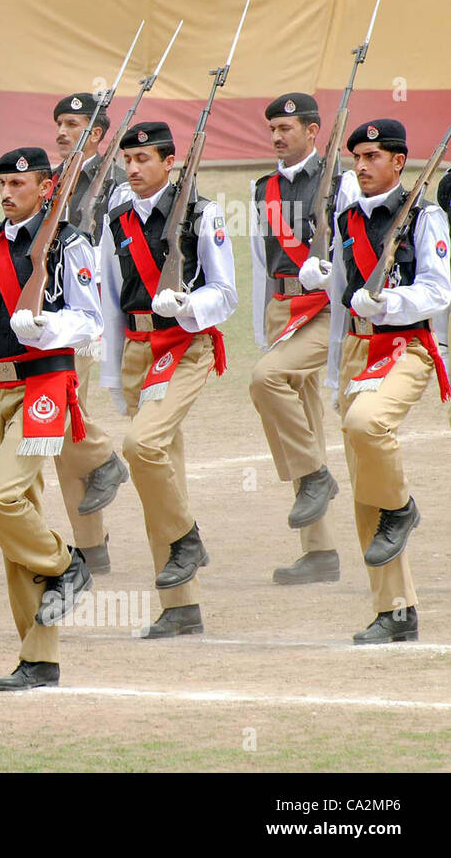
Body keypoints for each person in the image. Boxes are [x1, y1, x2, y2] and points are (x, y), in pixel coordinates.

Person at [299, 118, 451, 644]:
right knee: (365, 482)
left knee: (369, 425)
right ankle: (396, 610)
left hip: (408, 345)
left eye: (372, 157)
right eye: (356, 158)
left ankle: (403, 508)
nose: (361, 167)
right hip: (356, 350)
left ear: (398, 162)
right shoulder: (347, 220)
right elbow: (339, 299)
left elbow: (439, 289)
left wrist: (393, 303)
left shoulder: (426, 217)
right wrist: (333, 368)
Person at [0, 147, 100, 690]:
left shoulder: (70, 243)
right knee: (16, 526)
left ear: (45, 188)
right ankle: (38, 657)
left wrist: (47, 329)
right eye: (2, 184)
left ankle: (67, 563)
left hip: (44, 385)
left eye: (18, 183)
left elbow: (90, 322)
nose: (7, 192)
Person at [98, 121, 237, 639]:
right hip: (137, 350)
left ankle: (187, 539)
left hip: (184, 347)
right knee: (159, 471)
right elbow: (112, 301)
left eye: (144, 160)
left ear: (169, 162)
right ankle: (180, 605)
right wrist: (113, 375)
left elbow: (226, 293)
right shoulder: (116, 220)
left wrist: (187, 305)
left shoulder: (202, 213)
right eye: (127, 160)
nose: (133, 169)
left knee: (141, 445)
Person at [248, 93, 350, 584]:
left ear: (313, 131)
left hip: (325, 309)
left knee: (266, 381)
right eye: (272, 128)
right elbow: (258, 263)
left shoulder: (342, 182)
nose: (276, 136)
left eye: (286, 127)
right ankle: (320, 552)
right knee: (303, 421)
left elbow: (356, 252)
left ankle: (315, 476)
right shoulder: (261, 187)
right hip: (281, 308)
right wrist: (259, 323)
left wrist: (330, 280)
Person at [48, 92, 131, 573]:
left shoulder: (116, 185)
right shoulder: (53, 180)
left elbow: (115, 258)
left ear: (97, 134)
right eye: (58, 122)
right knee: (61, 435)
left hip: (87, 316)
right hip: (52, 317)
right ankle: (91, 546)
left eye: (73, 124)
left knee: (58, 417)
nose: (62, 131)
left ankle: (104, 457)